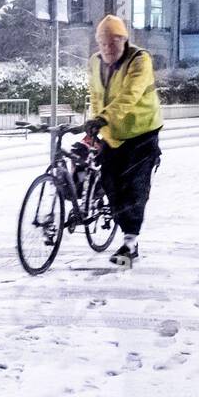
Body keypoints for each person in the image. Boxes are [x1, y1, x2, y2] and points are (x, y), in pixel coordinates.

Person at [84, 14, 164, 267]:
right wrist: (95, 126)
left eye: (113, 43)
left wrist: (103, 118)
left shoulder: (139, 60)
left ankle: (130, 243)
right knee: (111, 186)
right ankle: (126, 232)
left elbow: (130, 95)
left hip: (142, 132)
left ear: (124, 41)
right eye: (103, 43)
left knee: (135, 188)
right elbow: (96, 96)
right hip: (113, 134)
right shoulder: (95, 62)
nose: (107, 49)